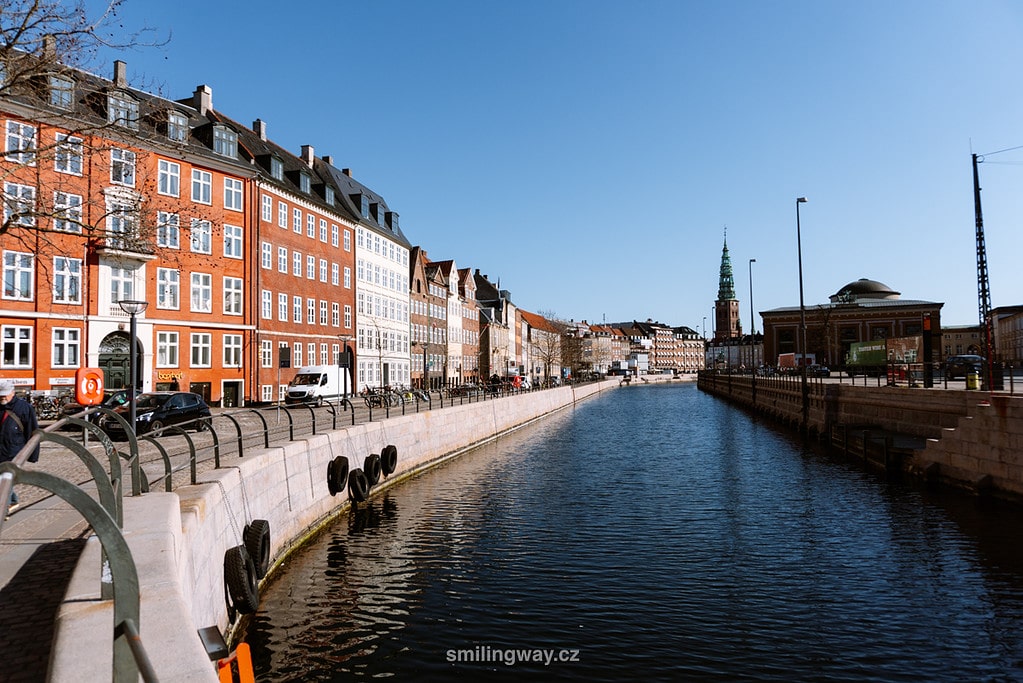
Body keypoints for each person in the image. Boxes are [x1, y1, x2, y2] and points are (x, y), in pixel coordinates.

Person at [0, 380, 39, 515]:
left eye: (5, 394)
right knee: (4, 478)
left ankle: (3, 510)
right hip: (1, 449)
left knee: (4, 478)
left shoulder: (24, 408)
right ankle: (13, 500)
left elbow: (32, 431)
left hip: (14, 451)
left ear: (12, 392)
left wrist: (33, 455)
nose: (2, 397)